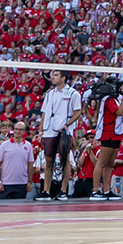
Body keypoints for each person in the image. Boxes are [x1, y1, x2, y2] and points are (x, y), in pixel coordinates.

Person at [37, 71, 82, 201]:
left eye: (56, 75)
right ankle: (46, 191)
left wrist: (67, 124)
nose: (52, 77)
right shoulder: (49, 94)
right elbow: (44, 113)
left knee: (64, 159)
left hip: (64, 130)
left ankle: (63, 190)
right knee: (48, 160)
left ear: (63, 78)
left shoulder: (73, 93)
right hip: (49, 129)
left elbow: (77, 112)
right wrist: (41, 131)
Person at [88, 79, 123, 200]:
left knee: (110, 164)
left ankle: (106, 190)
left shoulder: (114, 99)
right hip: (109, 133)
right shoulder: (109, 100)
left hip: (116, 133)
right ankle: (95, 190)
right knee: (102, 163)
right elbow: (119, 112)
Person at [0, 126, 34, 200]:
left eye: (20, 129)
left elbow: (30, 164)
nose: (18, 131)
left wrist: (29, 182)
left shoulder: (28, 145)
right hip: (6, 184)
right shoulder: (4, 145)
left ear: (24, 132)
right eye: (16, 129)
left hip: (22, 183)